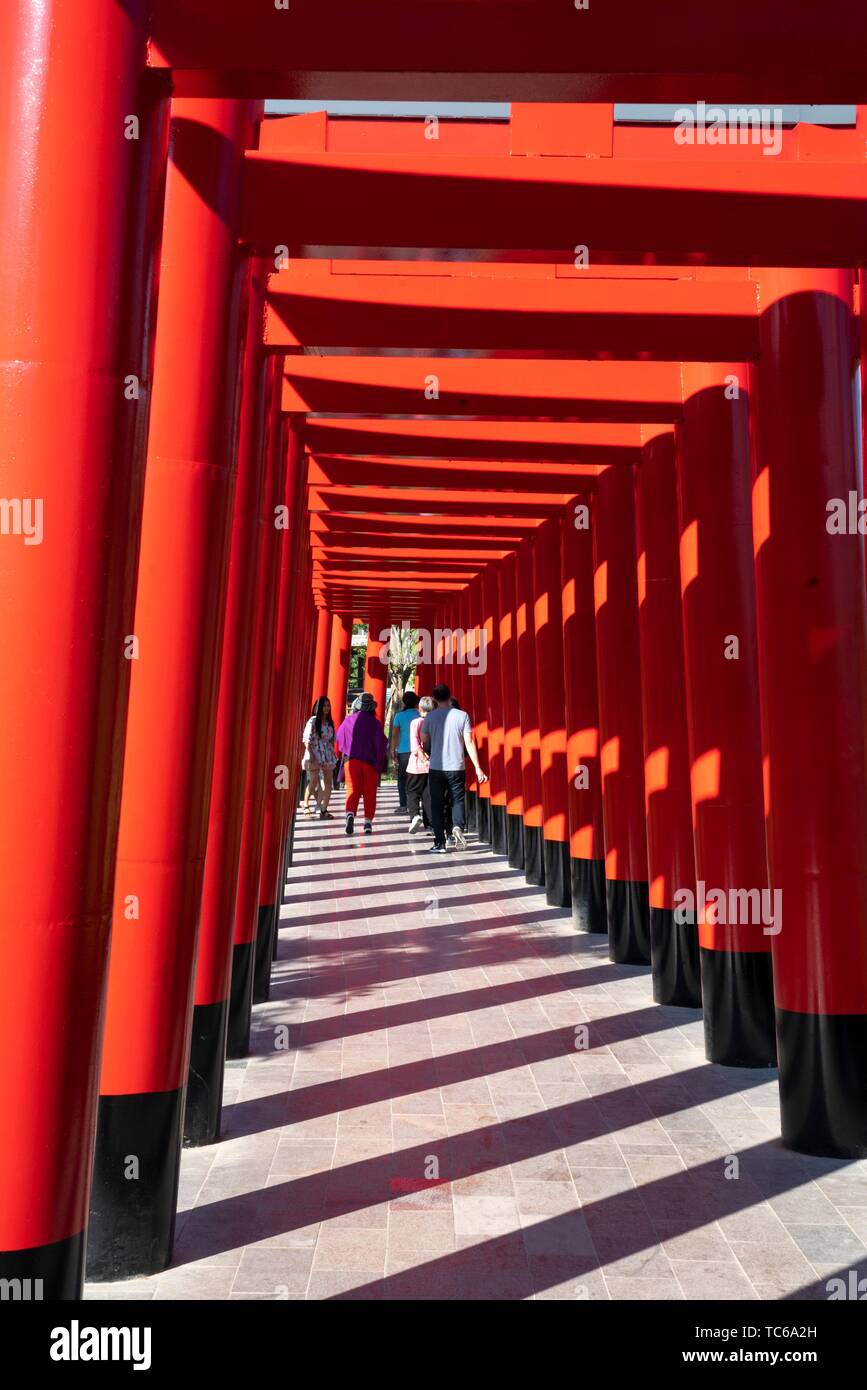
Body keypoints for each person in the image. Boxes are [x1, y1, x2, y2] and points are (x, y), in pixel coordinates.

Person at [421, 683, 487, 853]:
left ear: (434, 699)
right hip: (457, 766)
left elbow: (424, 739)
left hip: (436, 766)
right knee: (457, 799)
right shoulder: (462, 715)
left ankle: (440, 842)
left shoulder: (430, 717)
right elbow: (469, 742)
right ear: (449, 696)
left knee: (437, 804)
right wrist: (478, 767)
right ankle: (457, 826)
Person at [335, 692, 389, 835]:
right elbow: (382, 743)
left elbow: (339, 737)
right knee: (370, 792)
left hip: (351, 761)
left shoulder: (348, 720)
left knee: (352, 790)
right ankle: (367, 823)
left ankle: (350, 814)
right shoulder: (375, 723)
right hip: (369, 762)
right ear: (372, 708)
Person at [301, 695, 337, 819]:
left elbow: (332, 739)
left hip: (327, 754)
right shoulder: (313, 720)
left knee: (328, 782)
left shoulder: (330, 722)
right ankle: (306, 804)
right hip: (314, 752)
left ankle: (323, 809)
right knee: (314, 781)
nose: (326, 708)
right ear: (319, 707)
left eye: (328, 705)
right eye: (324, 705)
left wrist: (332, 754)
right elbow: (307, 738)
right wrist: (309, 752)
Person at [405, 695, 434, 835]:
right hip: (433, 765)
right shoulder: (435, 722)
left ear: (419, 708)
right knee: (428, 794)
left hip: (417, 765)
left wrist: (422, 758)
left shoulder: (416, 722)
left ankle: (415, 815)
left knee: (412, 792)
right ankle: (431, 824)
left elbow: (415, 745)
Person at [389, 690, 419, 813]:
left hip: (404, 752)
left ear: (404, 702)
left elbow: (395, 735)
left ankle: (403, 805)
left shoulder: (399, 716)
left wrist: (392, 750)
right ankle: (416, 804)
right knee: (417, 778)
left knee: (402, 778)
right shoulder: (419, 714)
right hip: (418, 751)